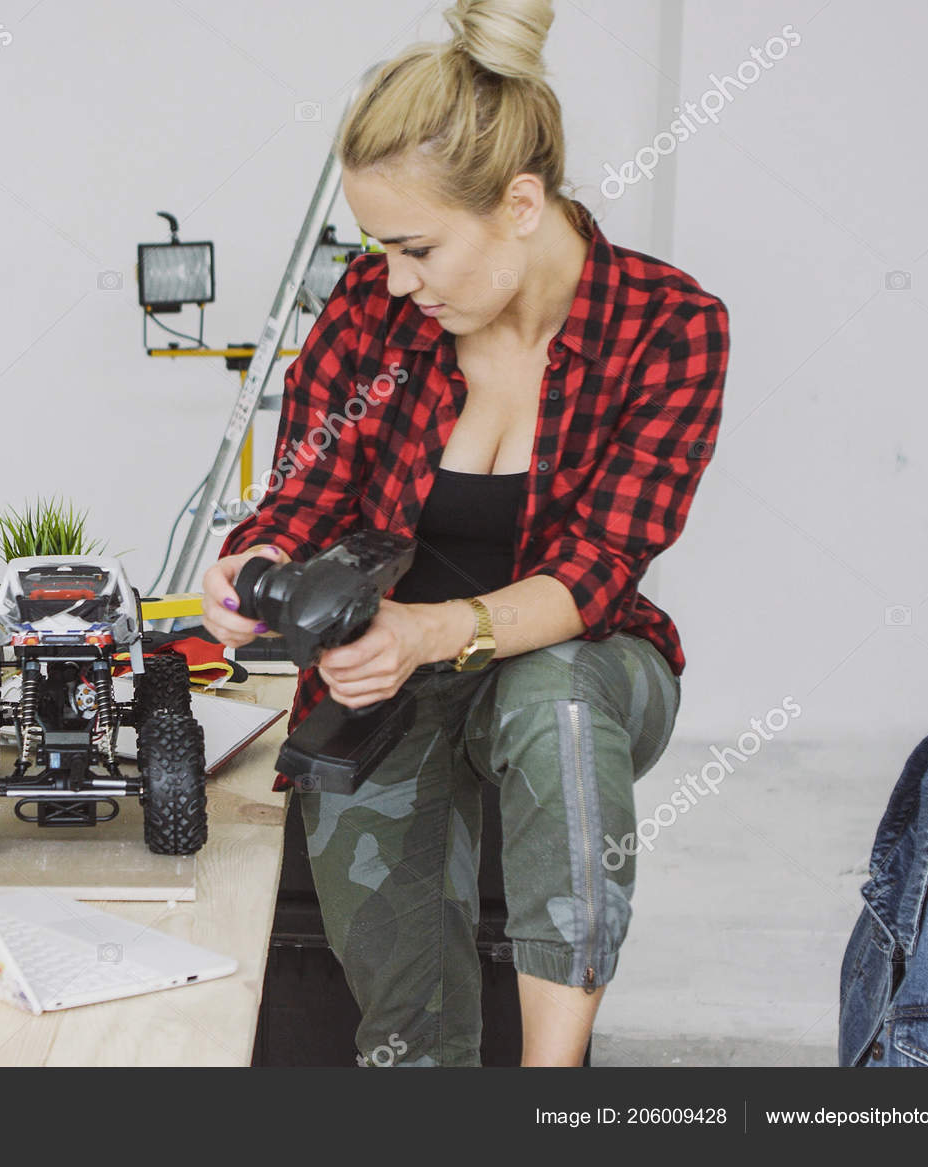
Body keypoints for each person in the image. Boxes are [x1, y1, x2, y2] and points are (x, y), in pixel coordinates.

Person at [201, 0, 730, 1066]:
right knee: (401, 1010)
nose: (396, 278)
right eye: (379, 250)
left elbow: (597, 571)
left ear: (519, 206)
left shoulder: (669, 328)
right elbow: (304, 493)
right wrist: (256, 561)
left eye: (417, 249)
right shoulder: (371, 308)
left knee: (555, 704)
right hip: (389, 674)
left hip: (583, 655)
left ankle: (551, 1076)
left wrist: (427, 631)